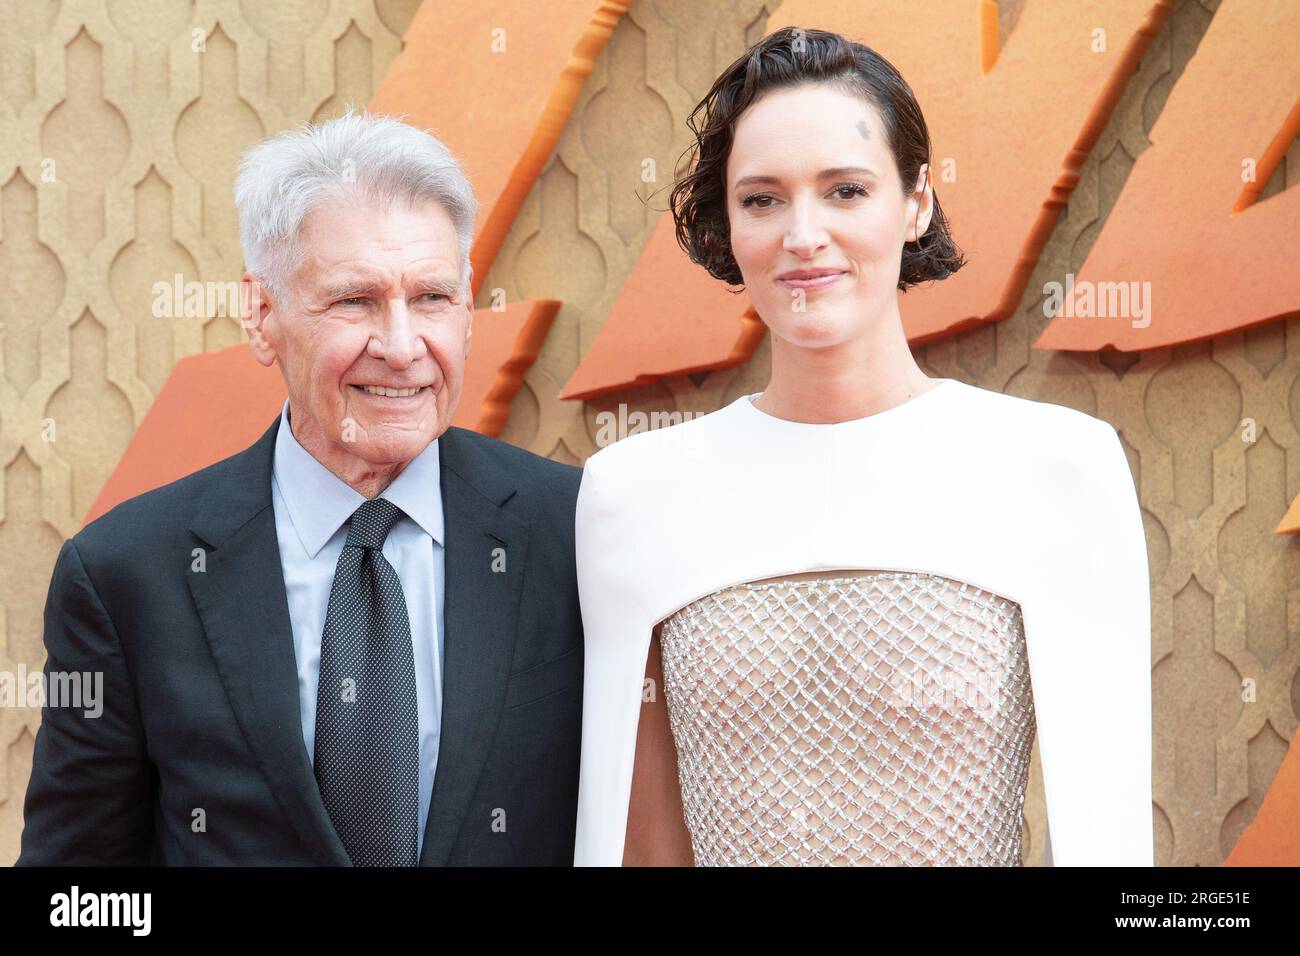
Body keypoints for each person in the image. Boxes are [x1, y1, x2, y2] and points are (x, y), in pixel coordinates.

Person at [573, 27, 1152, 866]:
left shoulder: (1057, 467)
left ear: (916, 201)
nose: (803, 235)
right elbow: (640, 845)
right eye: (763, 199)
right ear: (724, 223)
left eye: (845, 191)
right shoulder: (634, 492)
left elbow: (1108, 843)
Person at [19, 109, 584, 866]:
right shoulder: (126, 573)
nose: (401, 346)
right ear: (262, 316)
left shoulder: (576, 531)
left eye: (432, 298)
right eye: (355, 300)